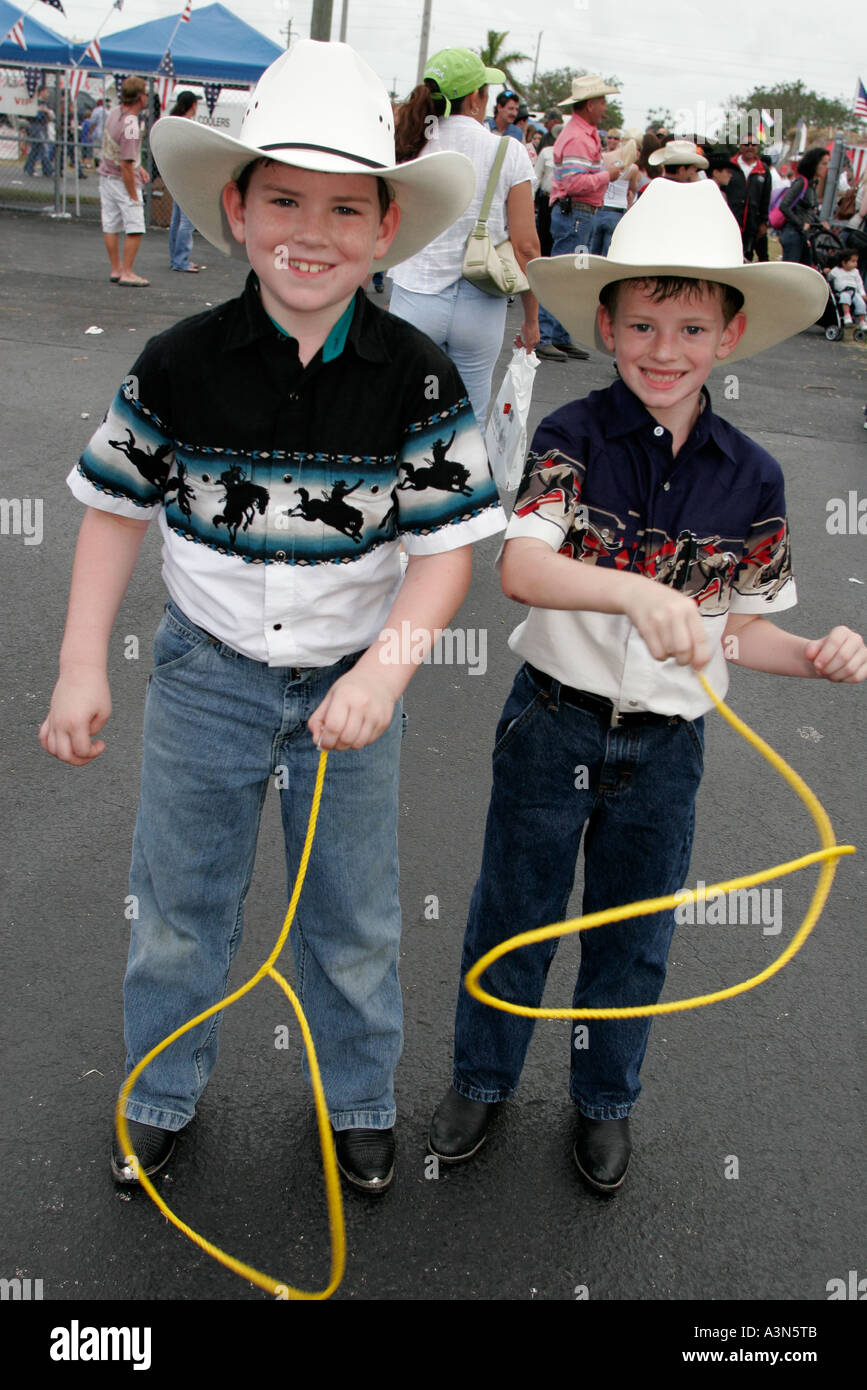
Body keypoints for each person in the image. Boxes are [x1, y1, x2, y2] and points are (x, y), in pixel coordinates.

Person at [39, 39, 505, 1198]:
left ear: (386, 228)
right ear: (236, 209)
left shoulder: (419, 378)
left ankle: (355, 1100)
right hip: (206, 674)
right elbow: (110, 512)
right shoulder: (176, 361)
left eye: (346, 207)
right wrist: (78, 663)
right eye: (284, 198)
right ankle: (158, 1091)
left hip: (353, 685)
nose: (313, 230)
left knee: (352, 915)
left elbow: (449, 555)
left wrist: (385, 674)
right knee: (180, 906)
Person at [427, 178, 866, 1194]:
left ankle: (604, 1099)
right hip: (552, 720)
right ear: (609, 324)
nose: (664, 350)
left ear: (730, 333)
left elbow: (745, 629)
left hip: (667, 742)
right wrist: (630, 591)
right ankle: (483, 1079)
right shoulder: (572, 437)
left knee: (636, 930)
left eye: (690, 327)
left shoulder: (752, 477)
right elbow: (521, 569)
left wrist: (814, 655)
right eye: (642, 325)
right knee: (515, 910)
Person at [388, 47, 540, 433]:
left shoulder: (410, 143)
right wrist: (532, 319)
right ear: (476, 98)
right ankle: (460, 491)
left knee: (403, 414)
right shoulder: (509, 151)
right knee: (468, 423)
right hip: (481, 301)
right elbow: (526, 248)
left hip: (416, 295)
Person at [537, 74, 625, 362]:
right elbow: (574, 183)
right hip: (575, 212)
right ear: (589, 104)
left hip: (577, 213)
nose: (604, 107)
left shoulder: (581, 133)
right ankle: (547, 336)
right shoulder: (578, 137)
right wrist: (607, 176)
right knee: (564, 275)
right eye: (601, 101)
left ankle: (558, 336)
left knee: (569, 276)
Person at [100, 75, 151, 287]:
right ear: (140, 97)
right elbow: (126, 165)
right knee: (135, 226)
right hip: (122, 181)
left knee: (110, 224)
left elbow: (121, 153)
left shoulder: (114, 113)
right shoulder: (131, 125)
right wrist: (133, 196)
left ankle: (116, 268)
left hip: (106, 176)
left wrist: (138, 166)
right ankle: (128, 272)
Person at [587, 129, 638, 255]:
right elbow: (633, 188)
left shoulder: (605, 159)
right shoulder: (632, 168)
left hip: (600, 207)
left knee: (593, 251)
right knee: (609, 253)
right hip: (617, 211)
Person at [778, 146, 830, 264]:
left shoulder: (812, 184)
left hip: (804, 235)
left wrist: (819, 223)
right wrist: (800, 224)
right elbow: (784, 205)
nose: (826, 168)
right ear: (814, 164)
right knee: (791, 272)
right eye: (823, 164)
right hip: (794, 234)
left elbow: (809, 210)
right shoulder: (802, 182)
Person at [167, 91, 201, 272]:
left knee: (177, 219)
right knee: (187, 221)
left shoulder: (172, 123)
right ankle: (180, 259)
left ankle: (176, 258)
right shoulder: (187, 126)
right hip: (186, 175)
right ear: (193, 105)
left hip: (175, 174)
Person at [725, 136, 772, 262]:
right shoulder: (730, 165)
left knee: (758, 257)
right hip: (733, 220)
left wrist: (764, 222)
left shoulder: (764, 170)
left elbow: (766, 198)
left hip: (753, 222)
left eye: (754, 144)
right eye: (746, 144)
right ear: (740, 146)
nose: (750, 147)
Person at [828, 249, 867, 327]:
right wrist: (827, 272)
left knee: (861, 303)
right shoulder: (836, 270)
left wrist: (862, 293)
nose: (855, 264)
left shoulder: (855, 272)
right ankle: (847, 315)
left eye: (856, 261)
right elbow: (829, 278)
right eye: (853, 261)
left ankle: (862, 321)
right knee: (845, 298)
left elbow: (860, 284)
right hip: (843, 291)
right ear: (844, 262)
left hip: (854, 291)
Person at [23, 88, 54, 178]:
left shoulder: (47, 104)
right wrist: (40, 110)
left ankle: (28, 167)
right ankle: (48, 170)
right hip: (36, 126)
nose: (48, 94)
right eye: (46, 92)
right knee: (43, 147)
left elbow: (51, 115)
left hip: (44, 126)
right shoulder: (35, 102)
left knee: (35, 148)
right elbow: (31, 114)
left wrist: (47, 112)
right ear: (41, 92)